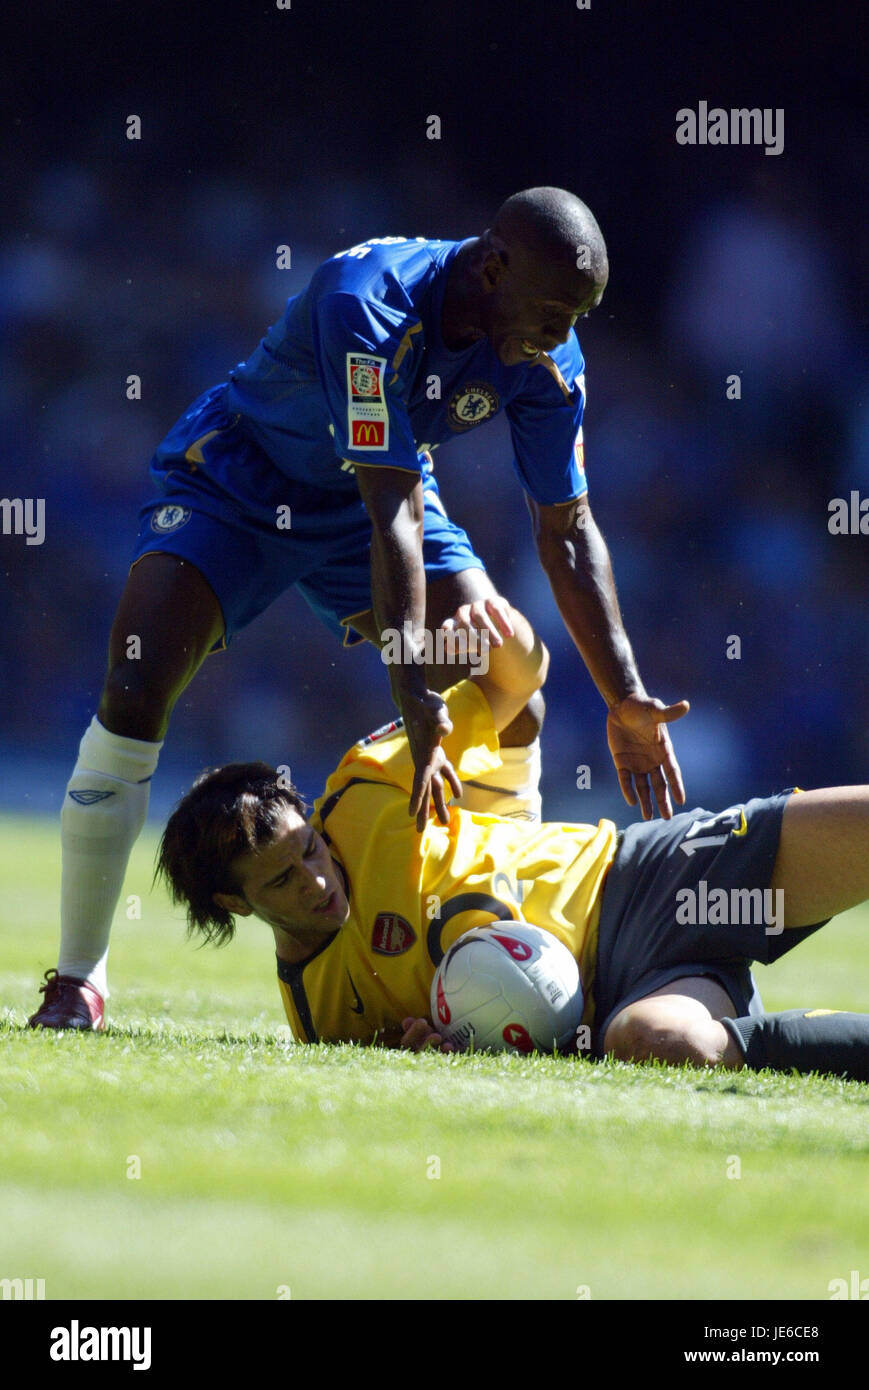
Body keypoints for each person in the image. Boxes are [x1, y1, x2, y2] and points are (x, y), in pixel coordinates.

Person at [29, 186, 688, 1032]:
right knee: (135, 682)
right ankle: (79, 977)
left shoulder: (548, 357)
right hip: (240, 482)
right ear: (493, 266)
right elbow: (393, 512)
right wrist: (409, 688)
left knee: (505, 672)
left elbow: (567, 530)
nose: (563, 335)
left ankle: (480, 916)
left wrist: (624, 696)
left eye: (581, 315)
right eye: (554, 310)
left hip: (378, 505)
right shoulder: (366, 301)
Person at [153, 599, 869, 1081]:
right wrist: (433, 1051)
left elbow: (520, 687)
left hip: (641, 877)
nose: (314, 878)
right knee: (659, 1045)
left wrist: (501, 635)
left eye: (307, 849)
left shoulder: (368, 790)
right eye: (279, 881)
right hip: (617, 1000)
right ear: (234, 903)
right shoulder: (320, 1016)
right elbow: (436, 1054)